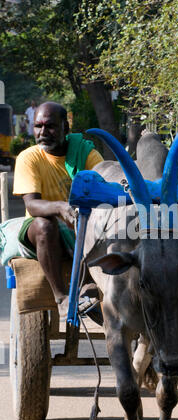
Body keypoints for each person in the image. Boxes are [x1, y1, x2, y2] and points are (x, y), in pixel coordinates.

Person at [13, 101, 104, 318]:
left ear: (66, 128)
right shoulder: (29, 157)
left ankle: (92, 289)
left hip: (82, 231)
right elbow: (32, 205)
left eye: (50, 126)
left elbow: (104, 188)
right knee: (45, 224)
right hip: (42, 236)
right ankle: (62, 297)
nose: (43, 132)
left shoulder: (86, 154)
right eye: (38, 126)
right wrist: (61, 207)